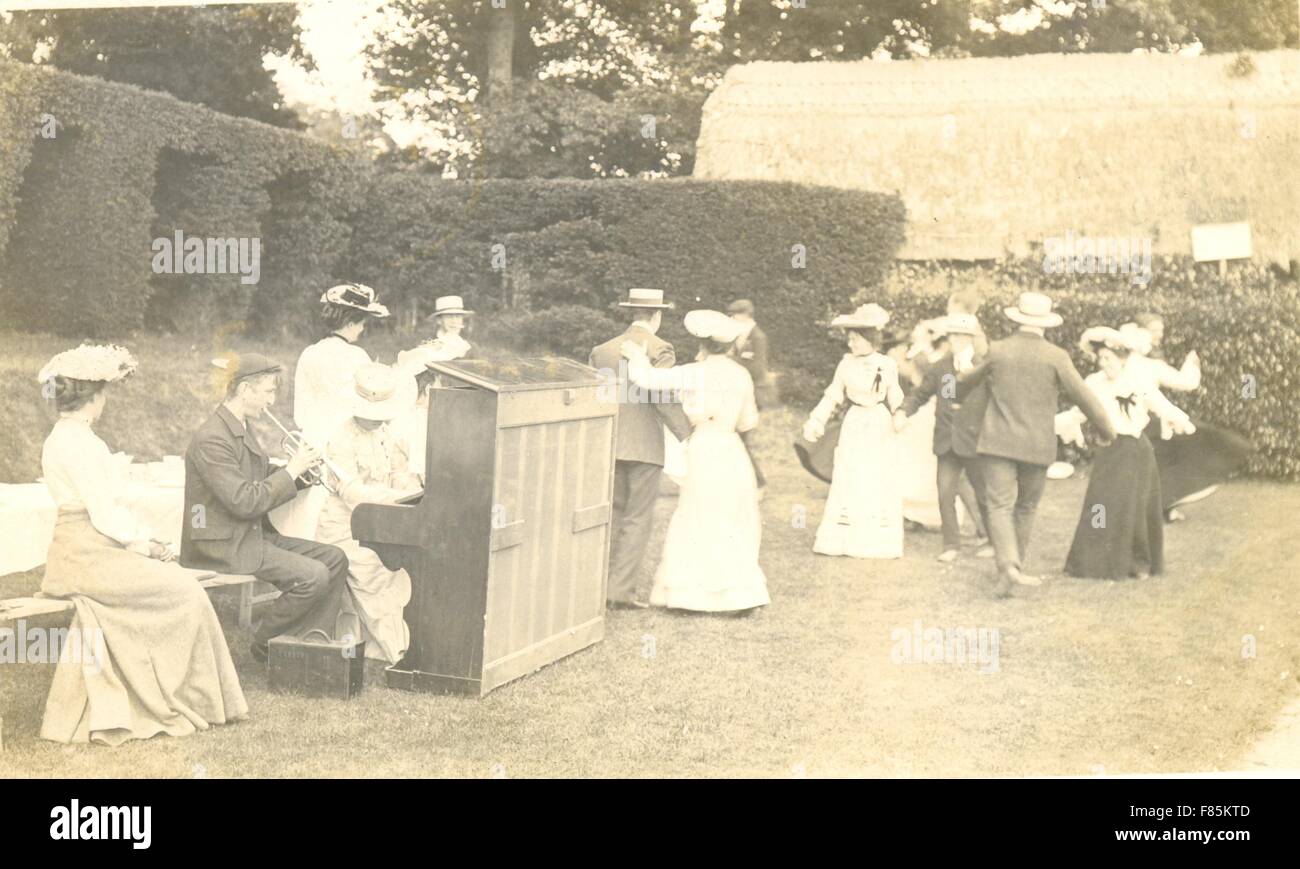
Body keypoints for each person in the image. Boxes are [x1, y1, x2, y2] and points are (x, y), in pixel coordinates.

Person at [35, 344, 247, 745]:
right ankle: (178, 696)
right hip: (84, 554)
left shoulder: (69, 437)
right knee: (185, 590)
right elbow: (102, 514)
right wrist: (144, 546)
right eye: (104, 392)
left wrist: (143, 544)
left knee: (176, 582)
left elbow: (105, 514)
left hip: (87, 548)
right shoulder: (78, 443)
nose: (106, 400)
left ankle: (170, 691)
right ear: (93, 396)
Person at [180, 352, 350, 662]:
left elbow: (257, 478)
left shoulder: (238, 425)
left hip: (247, 536)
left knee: (335, 559)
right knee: (312, 576)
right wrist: (292, 471)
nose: (271, 400)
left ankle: (308, 643)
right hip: (221, 546)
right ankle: (266, 645)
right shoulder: (211, 438)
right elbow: (244, 500)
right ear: (245, 390)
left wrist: (302, 475)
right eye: (268, 391)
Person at [956, 292, 1116, 597]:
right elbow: (1085, 397)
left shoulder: (998, 350)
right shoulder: (1057, 356)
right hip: (1037, 445)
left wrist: (954, 392)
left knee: (999, 505)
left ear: (1016, 318)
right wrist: (1109, 431)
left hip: (998, 442)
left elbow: (965, 382)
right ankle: (1014, 568)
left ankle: (1008, 567)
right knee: (1026, 507)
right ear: (1045, 324)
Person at [619, 310, 769, 613]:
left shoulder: (694, 371)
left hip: (704, 447)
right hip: (730, 447)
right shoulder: (740, 374)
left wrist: (636, 355)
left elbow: (647, 379)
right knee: (731, 516)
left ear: (702, 344)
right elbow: (747, 421)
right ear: (729, 346)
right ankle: (737, 594)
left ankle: (692, 595)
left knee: (698, 512)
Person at [1057, 327, 1195, 579]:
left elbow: (1161, 405)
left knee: (1132, 506)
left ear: (1122, 358)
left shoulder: (1137, 383)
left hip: (1133, 451)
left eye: (1109, 358)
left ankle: (1137, 563)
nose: (1104, 363)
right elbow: (1080, 411)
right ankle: (1092, 562)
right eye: (1101, 358)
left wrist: (1180, 421)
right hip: (1109, 451)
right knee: (1100, 505)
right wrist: (1056, 423)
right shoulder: (1094, 383)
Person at [589, 288, 692, 608]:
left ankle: (597, 587)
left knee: (613, 514)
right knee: (637, 518)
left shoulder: (602, 350)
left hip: (609, 442)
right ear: (657, 316)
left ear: (631, 314)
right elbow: (661, 397)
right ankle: (619, 592)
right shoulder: (660, 348)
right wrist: (687, 433)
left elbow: (593, 398)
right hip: (645, 446)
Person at [317, 363, 421, 664]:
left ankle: (394, 643)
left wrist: (408, 488)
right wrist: (396, 498)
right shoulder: (340, 439)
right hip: (347, 526)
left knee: (397, 571)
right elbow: (353, 494)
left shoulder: (384, 433)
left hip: (382, 521)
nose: (379, 421)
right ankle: (394, 650)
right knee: (371, 571)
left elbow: (398, 471)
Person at [277, 283, 390, 539]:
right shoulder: (358, 357)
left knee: (312, 514)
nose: (362, 329)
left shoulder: (309, 353)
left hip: (314, 443)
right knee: (347, 513)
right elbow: (366, 407)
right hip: (347, 442)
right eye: (362, 322)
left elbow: (301, 412)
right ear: (351, 322)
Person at [801, 303, 906, 559]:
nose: (852, 344)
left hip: (878, 423)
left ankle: (874, 540)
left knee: (876, 474)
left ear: (871, 339)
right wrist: (816, 420)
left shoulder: (886, 364)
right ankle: (843, 539)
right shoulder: (846, 365)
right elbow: (833, 395)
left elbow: (895, 394)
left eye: (856, 339)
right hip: (855, 421)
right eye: (850, 339)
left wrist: (898, 413)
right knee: (851, 473)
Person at [1128, 314, 1251, 522]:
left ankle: (1162, 508)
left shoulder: (1151, 362)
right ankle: (1156, 510)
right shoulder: (1134, 363)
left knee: (1163, 465)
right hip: (1139, 423)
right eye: (1154, 330)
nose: (1159, 335)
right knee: (1157, 465)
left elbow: (1182, 382)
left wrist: (1190, 364)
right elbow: (1185, 382)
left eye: (1161, 330)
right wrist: (1191, 363)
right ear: (1138, 333)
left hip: (1152, 420)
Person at [895, 313, 991, 563]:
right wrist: (904, 411)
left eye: (962, 335)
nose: (957, 340)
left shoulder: (985, 365)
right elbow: (920, 394)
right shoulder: (942, 368)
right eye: (953, 335)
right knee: (945, 492)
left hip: (975, 441)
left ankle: (991, 540)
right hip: (946, 440)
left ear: (971, 338)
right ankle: (951, 545)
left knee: (982, 492)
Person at [394, 295, 475, 478]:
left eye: (458, 316)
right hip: (430, 403)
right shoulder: (426, 348)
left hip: (459, 405)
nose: (455, 321)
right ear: (439, 319)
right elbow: (415, 378)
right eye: (449, 316)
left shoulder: (468, 349)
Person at [728, 299, 777, 409]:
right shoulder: (739, 334)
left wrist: (730, 359)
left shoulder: (758, 337)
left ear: (746, 315)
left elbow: (758, 369)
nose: (731, 319)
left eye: (735, 316)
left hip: (755, 392)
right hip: (740, 388)